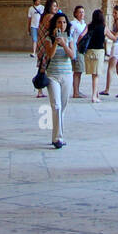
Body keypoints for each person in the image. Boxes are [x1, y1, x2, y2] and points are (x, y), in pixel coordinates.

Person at [44, 11, 76, 147]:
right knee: (56, 105)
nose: (62, 25)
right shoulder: (48, 39)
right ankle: (58, 138)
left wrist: (64, 44)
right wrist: (56, 42)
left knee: (62, 107)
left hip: (67, 75)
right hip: (52, 75)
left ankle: (56, 136)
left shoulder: (69, 38)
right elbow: (50, 55)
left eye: (64, 22)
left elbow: (72, 55)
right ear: (54, 24)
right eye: (59, 22)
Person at [33, 0, 58, 98]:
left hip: (42, 43)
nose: (56, 8)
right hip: (45, 44)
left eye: (56, 6)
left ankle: (40, 89)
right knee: (43, 66)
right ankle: (39, 87)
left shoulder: (45, 16)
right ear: (49, 7)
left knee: (42, 66)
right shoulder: (50, 17)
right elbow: (52, 29)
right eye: (54, 6)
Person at [102, 6, 118, 97]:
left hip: (117, 46)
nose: (113, 14)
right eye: (113, 12)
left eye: (115, 13)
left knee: (110, 68)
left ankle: (107, 89)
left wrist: (108, 31)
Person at [83, 8, 106, 101]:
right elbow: (113, 37)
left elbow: (81, 35)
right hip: (98, 52)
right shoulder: (104, 27)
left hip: (89, 52)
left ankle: (96, 94)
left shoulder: (89, 26)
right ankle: (94, 96)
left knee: (94, 74)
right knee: (96, 75)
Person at [68, 5, 87, 98]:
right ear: (75, 13)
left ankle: (77, 90)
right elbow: (69, 36)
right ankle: (75, 92)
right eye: (80, 12)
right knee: (77, 71)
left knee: (79, 71)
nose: (82, 14)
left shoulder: (83, 24)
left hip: (82, 50)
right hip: (76, 49)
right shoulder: (73, 24)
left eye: (83, 12)